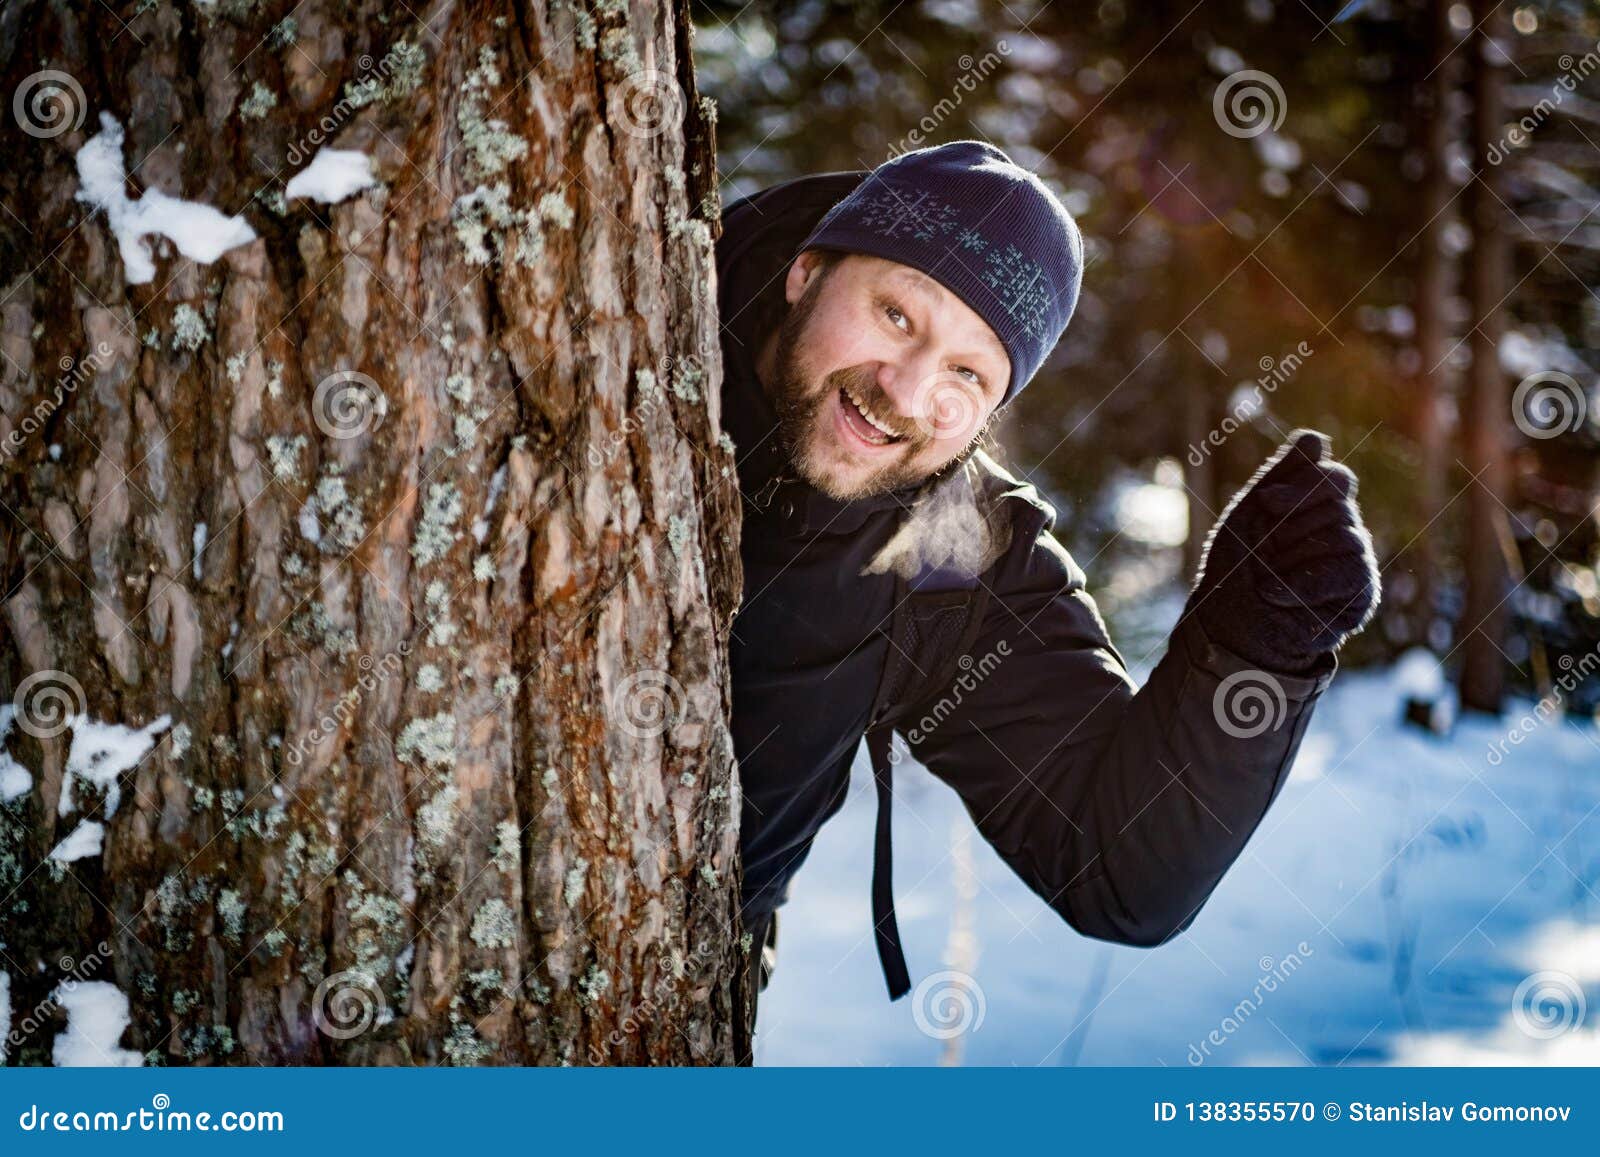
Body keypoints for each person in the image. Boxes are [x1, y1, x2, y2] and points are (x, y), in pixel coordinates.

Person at [713, 141, 1379, 1049]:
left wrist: (1260, 642)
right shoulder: (602, 331)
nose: (905, 391)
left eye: (967, 374)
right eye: (897, 314)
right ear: (807, 273)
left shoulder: (951, 553)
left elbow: (1120, 868)